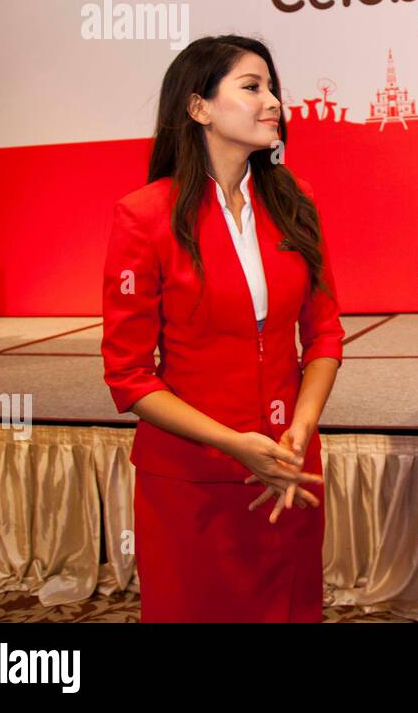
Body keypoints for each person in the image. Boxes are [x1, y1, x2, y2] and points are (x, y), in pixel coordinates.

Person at [101, 35, 343, 622]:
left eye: (272, 88)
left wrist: (300, 430)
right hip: (192, 482)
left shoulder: (295, 201)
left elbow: (324, 334)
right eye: (252, 87)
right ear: (198, 107)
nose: (273, 102)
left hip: (287, 470)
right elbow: (129, 376)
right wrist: (235, 445)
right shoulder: (145, 216)